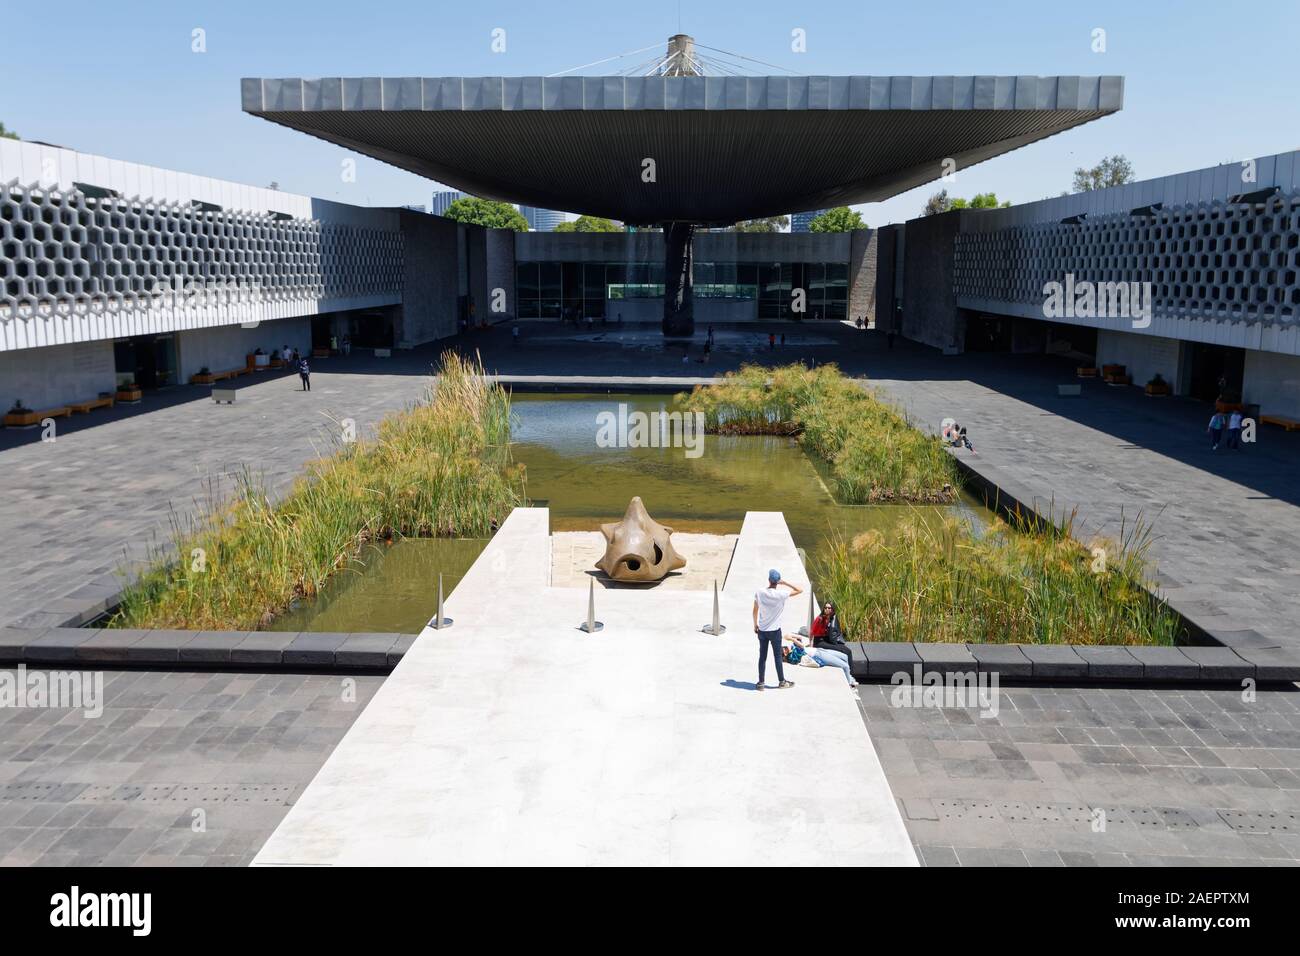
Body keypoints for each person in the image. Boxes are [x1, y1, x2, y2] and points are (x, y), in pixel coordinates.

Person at [753, 569, 802, 691]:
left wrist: (755, 625)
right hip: (775, 631)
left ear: (769, 580)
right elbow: (799, 590)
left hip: (762, 630)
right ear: (777, 582)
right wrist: (785, 583)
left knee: (762, 657)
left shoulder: (760, 592)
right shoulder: (781, 594)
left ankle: (761, 683)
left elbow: (755, 610)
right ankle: (781, 682)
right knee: (777, 657)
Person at [785, 636, 857, 688]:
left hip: (819, 650)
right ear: (785, 655)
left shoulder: (793, 647)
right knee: (845, 666)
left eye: (784, 648)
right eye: (784, 651)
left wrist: (790, 637)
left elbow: (800, 638)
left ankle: (849, 678)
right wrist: (791, 639)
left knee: (845, 656)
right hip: (819, 655)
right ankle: (850, 686)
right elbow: (802, 646)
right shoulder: (793, 656)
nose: (785, 649)